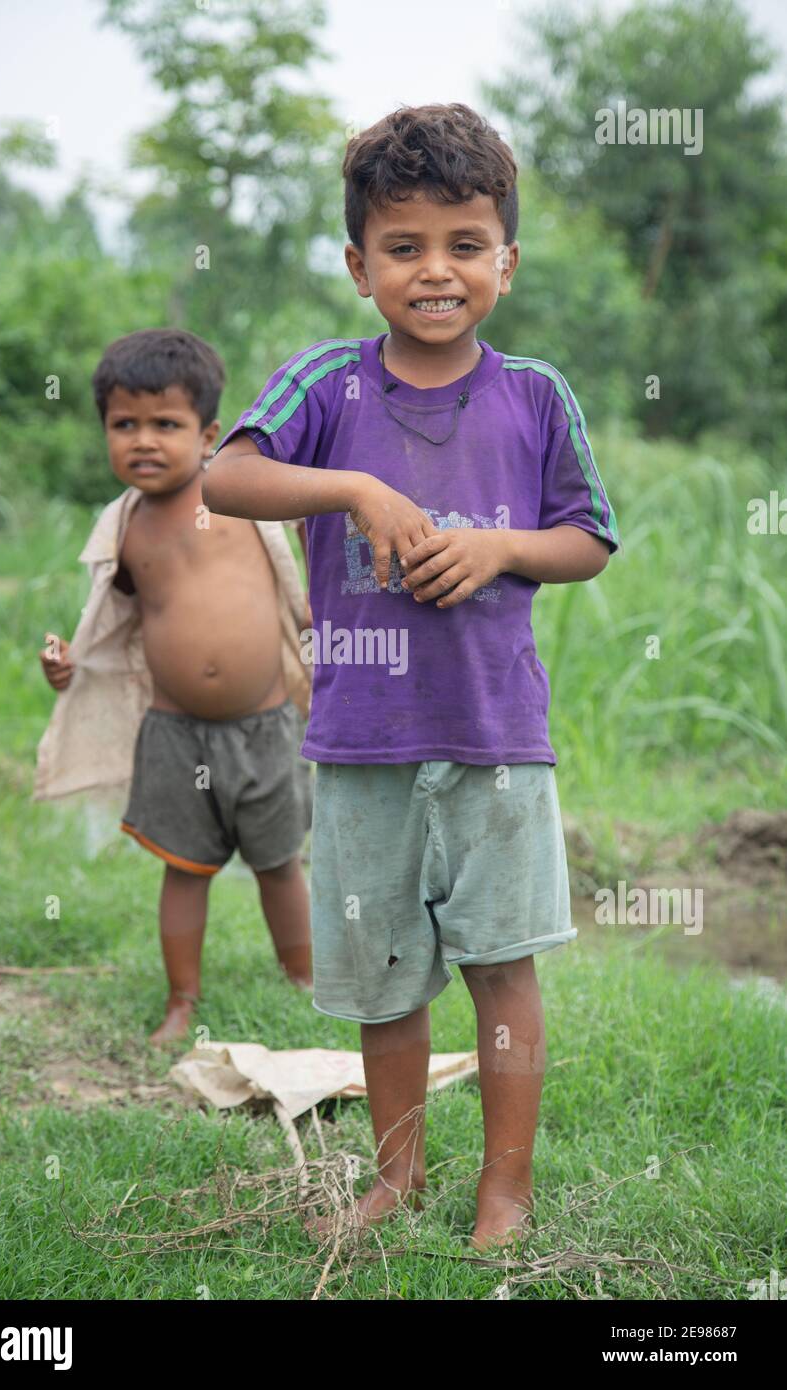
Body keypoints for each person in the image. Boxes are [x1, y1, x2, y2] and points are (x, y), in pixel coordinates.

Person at [202, 103, 621, 1249]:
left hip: (494, 740)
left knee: (499, 970)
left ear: (505, 260)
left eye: (462, 243)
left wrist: (496, 548)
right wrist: (353, 492)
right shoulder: (322, 389)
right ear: (357, 265)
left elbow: (586, 537)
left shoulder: (534, 395)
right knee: (384, 983)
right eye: (403, 246)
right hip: (358, 742)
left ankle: (503, 1190)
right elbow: (221, 479)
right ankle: (395, 1178)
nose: (434, 270)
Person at [34, 328, 314, 1045]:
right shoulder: (123, 528)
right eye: (124, 425)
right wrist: (67, 664)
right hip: (175, 733)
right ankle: (182, 1000)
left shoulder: (244, 501)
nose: (144, 441)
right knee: (184, 871)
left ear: (209, 434)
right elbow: (110, 629)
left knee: (280, 864)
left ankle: (304, 977)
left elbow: (301, 581)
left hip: (266, 726)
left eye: (166, 424)